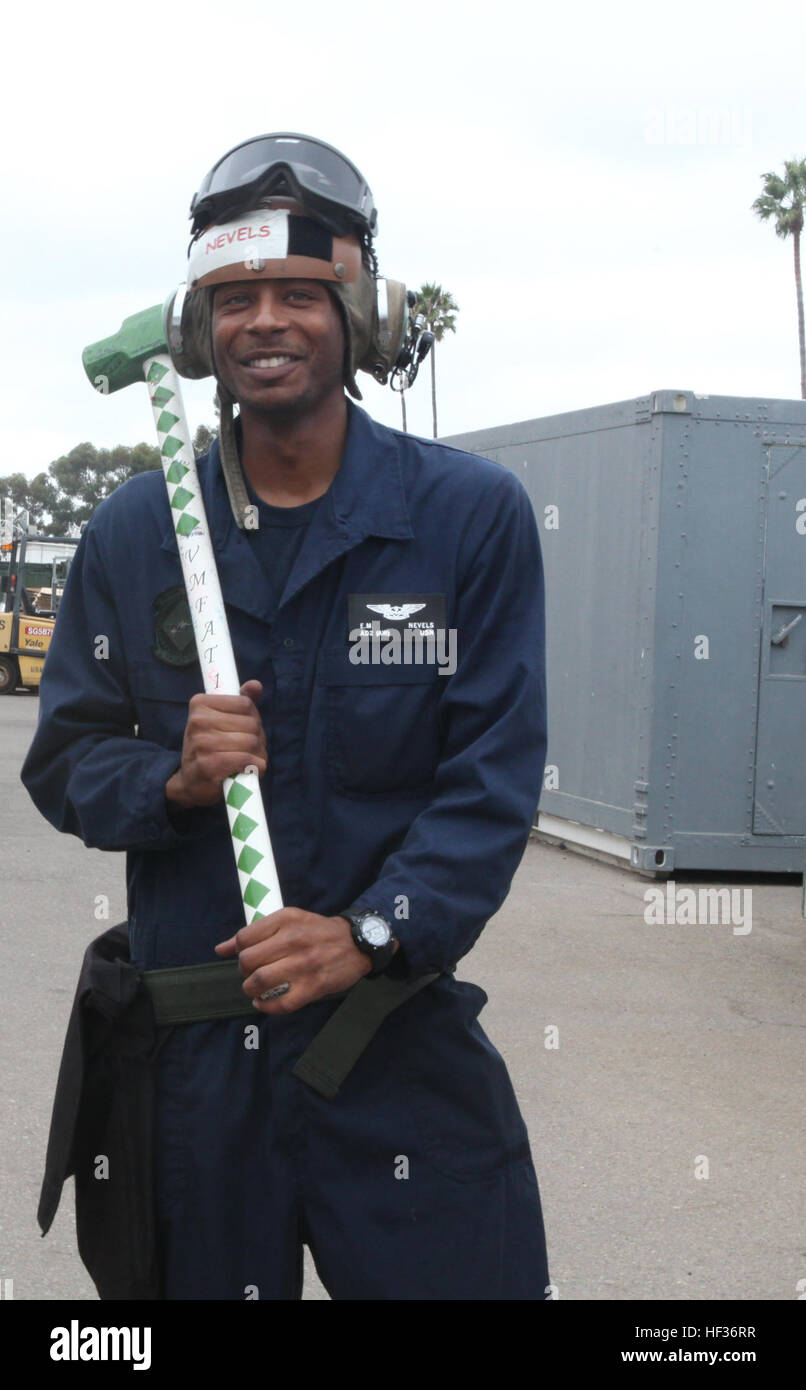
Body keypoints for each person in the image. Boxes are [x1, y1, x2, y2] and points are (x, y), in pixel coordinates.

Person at [22, 133, 551, 1300]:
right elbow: (64, 760)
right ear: (194, 328)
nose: (267, 321)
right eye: (236, 296)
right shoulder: (135, 531)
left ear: (361, 315)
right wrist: (171, 780)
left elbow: (492, 779)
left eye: (302, 294)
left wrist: (367, 930)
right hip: (194, 1074)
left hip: (392, 1041)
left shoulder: (466, 520)